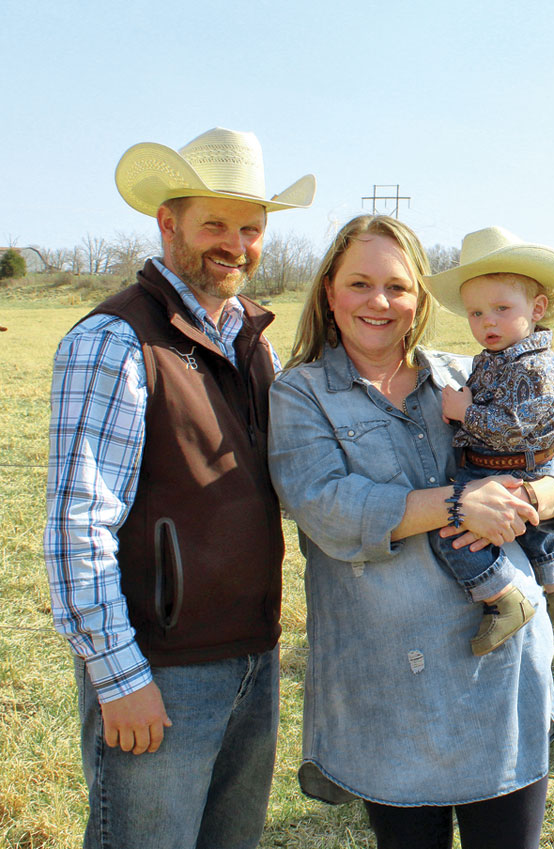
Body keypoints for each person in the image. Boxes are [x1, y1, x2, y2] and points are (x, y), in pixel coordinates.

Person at [267, 215, 554, 849]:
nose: (379, 302)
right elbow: (326, 505)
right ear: (329, 291)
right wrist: (460, 502)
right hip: (393, 685)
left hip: (503, 673)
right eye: (360, 283)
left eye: (398, 286)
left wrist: (534, 495)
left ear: (419, 299)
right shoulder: (302, 394)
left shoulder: (465, 374)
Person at [43, 127, 314, 848]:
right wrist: (119, 677)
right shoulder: (115, 340)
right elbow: (77, 526)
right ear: (169, 224)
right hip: (160, 671)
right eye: (215, 224)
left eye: (251, 228)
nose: (236, 244)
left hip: (252, 659)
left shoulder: (254, 344)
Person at [425, 226, 554, 655]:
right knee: (533, 535)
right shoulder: (498, 358)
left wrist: (466, 412)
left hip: (509, 466)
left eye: (501, 307)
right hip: (507, 464)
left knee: (455, 530)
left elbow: (517, 426)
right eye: (476, 313)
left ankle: (503, 598)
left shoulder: (533, 365)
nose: (487, 322)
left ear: (536, 309)